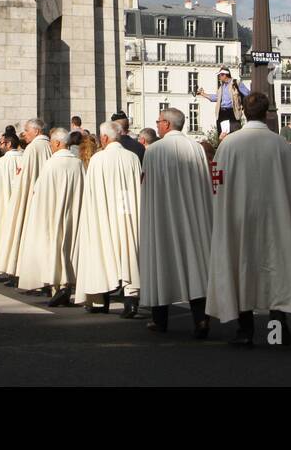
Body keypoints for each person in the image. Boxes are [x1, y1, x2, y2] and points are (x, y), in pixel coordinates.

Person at [206, 91, 291, 346]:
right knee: (276, 273)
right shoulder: (281, 146)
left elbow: (216, 183)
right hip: (275, 219)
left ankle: (245, 331)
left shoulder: (229, 145)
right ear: (266, 113)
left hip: (238, 219)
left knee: (242, 270)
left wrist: (221, 211)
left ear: (244, 112)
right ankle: (277, 331)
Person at [139, 108, 212, 337]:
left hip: (162, 216)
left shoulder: (155, 150)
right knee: (195, 265)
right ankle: (200, 320)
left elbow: (147, 185)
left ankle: (160, 321)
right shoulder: (196, 148)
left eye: (159, 121)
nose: (158, 124)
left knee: (161, 263)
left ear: (167, 125)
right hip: (192, 215)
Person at [75, 120, 143, 316]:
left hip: (103, 212)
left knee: (102, 252)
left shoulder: (98, 159)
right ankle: (131, 299)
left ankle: (100, 300)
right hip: (127, 210)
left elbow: (92, 193)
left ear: (104, 138)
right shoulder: (131, 158)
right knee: (128, 251)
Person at [16, 127, 85, 306]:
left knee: (54, 247)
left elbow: (39, 191)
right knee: (69, 247)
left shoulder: (51, 164)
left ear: (56, 143)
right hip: (73, 213)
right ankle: (66, 285)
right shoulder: (77, 163)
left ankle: (59, 286)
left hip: (52, 214)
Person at [0, 119, 53, 285]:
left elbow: (22, 178)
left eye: (27, 130)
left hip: (31, 198)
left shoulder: (33, 148)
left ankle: (26, 275)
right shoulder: (49, 146)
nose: (24, 134)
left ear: (36, 131)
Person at [0, 134, 23, 281]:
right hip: (18, 206)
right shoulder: (23, 159)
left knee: (2, 237)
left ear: (8, 144)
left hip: (2, 205)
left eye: (2, 143)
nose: (0, 146)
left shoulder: (1, 163)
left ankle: (4, 269)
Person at [198, 67, 249, 135]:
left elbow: (248, 94)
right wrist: (203, 94)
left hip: (233, 113)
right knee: (222, 136)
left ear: (225, 75)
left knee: (234, 134)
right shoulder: (221, 86)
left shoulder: (236, 83)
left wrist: (244, 106)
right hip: (221, 113)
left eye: (220, 75)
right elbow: (216, 98)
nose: (219, 77)